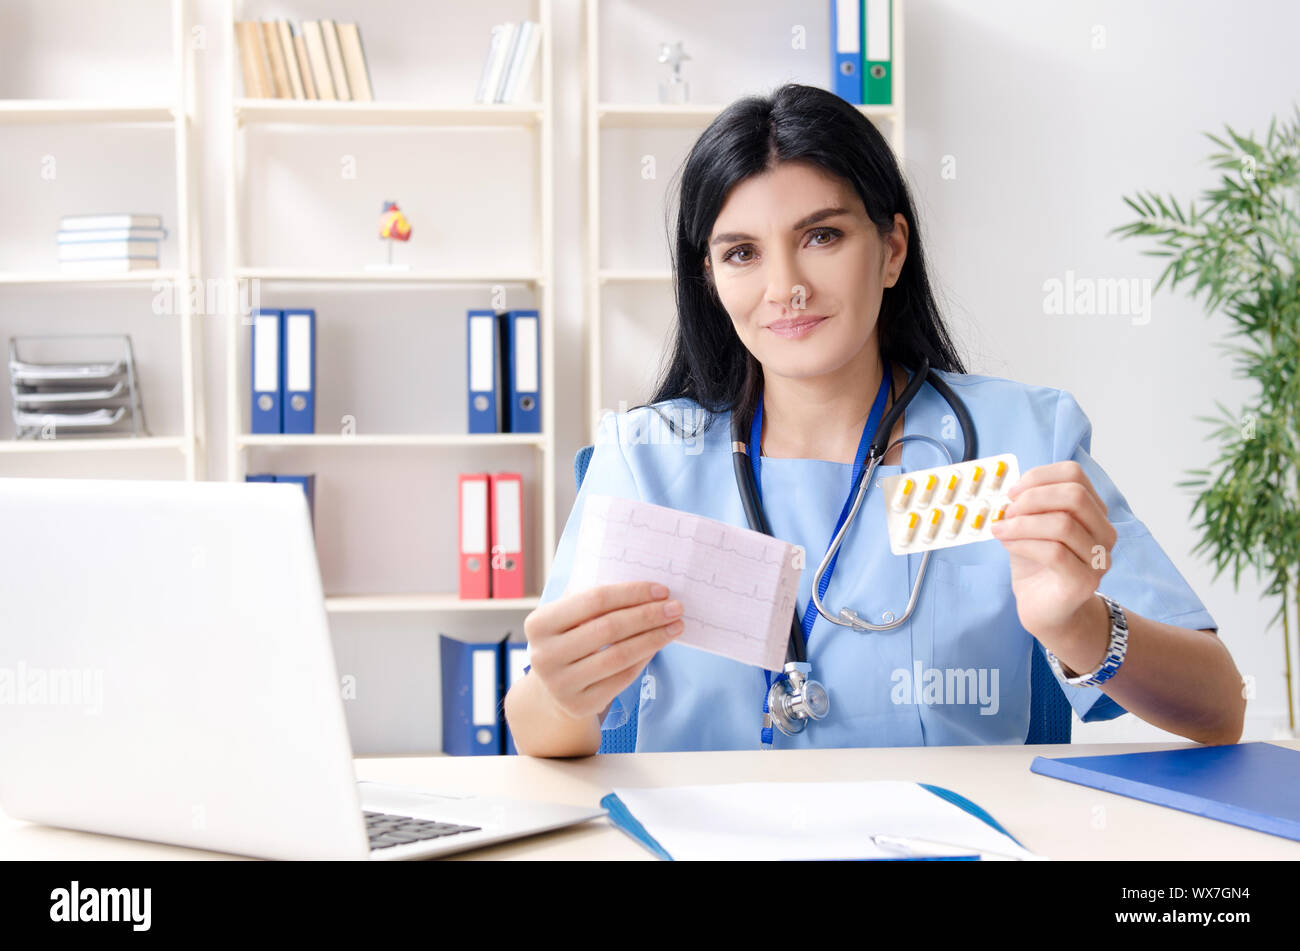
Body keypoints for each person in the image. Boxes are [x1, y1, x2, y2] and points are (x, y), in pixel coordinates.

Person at [504, 83, 1246, 757]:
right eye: (741, 253)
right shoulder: (648, 456)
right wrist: (566, 689)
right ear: (711, 280)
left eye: (822, 236)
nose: (785, 287)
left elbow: (1220, 709)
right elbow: (538, 727)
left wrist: (1075, 627)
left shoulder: (1021, 439)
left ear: (891, 249)